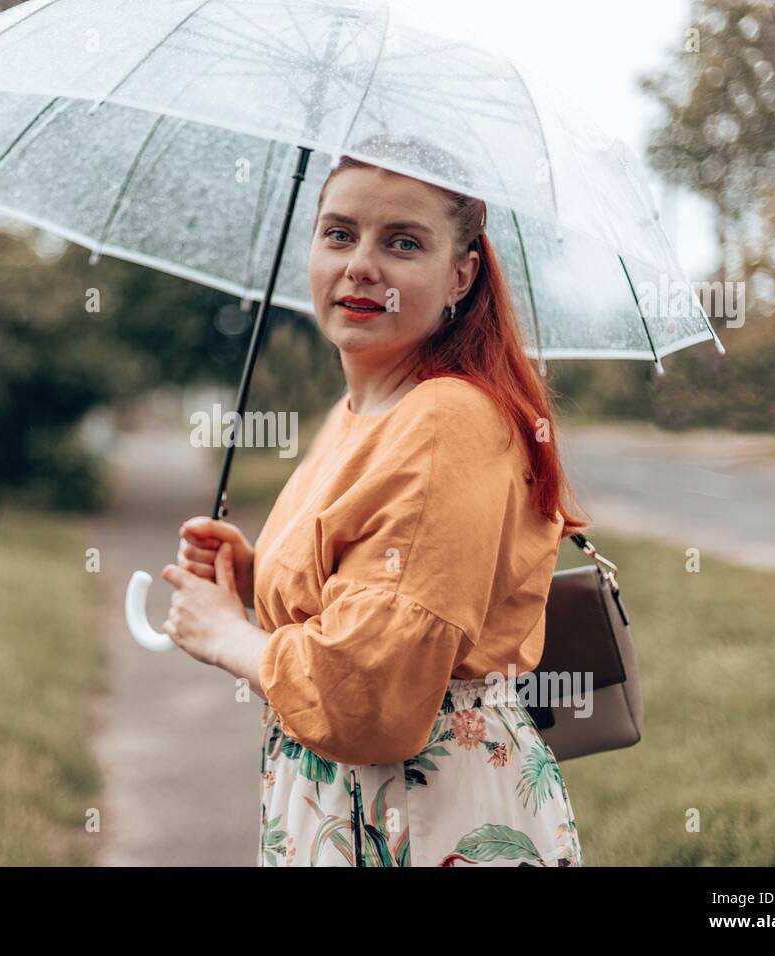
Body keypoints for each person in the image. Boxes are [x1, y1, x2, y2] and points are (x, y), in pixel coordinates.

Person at [157, 142, 591, 867]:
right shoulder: (362, 410)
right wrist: (256, 577)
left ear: (461, 275)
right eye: (339, 233)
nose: (360, 264)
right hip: (351, 806)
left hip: (419, 816)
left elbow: (373, 693)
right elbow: (374, 595)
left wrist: (226, 637)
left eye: (402, 242)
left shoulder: (446, 419)